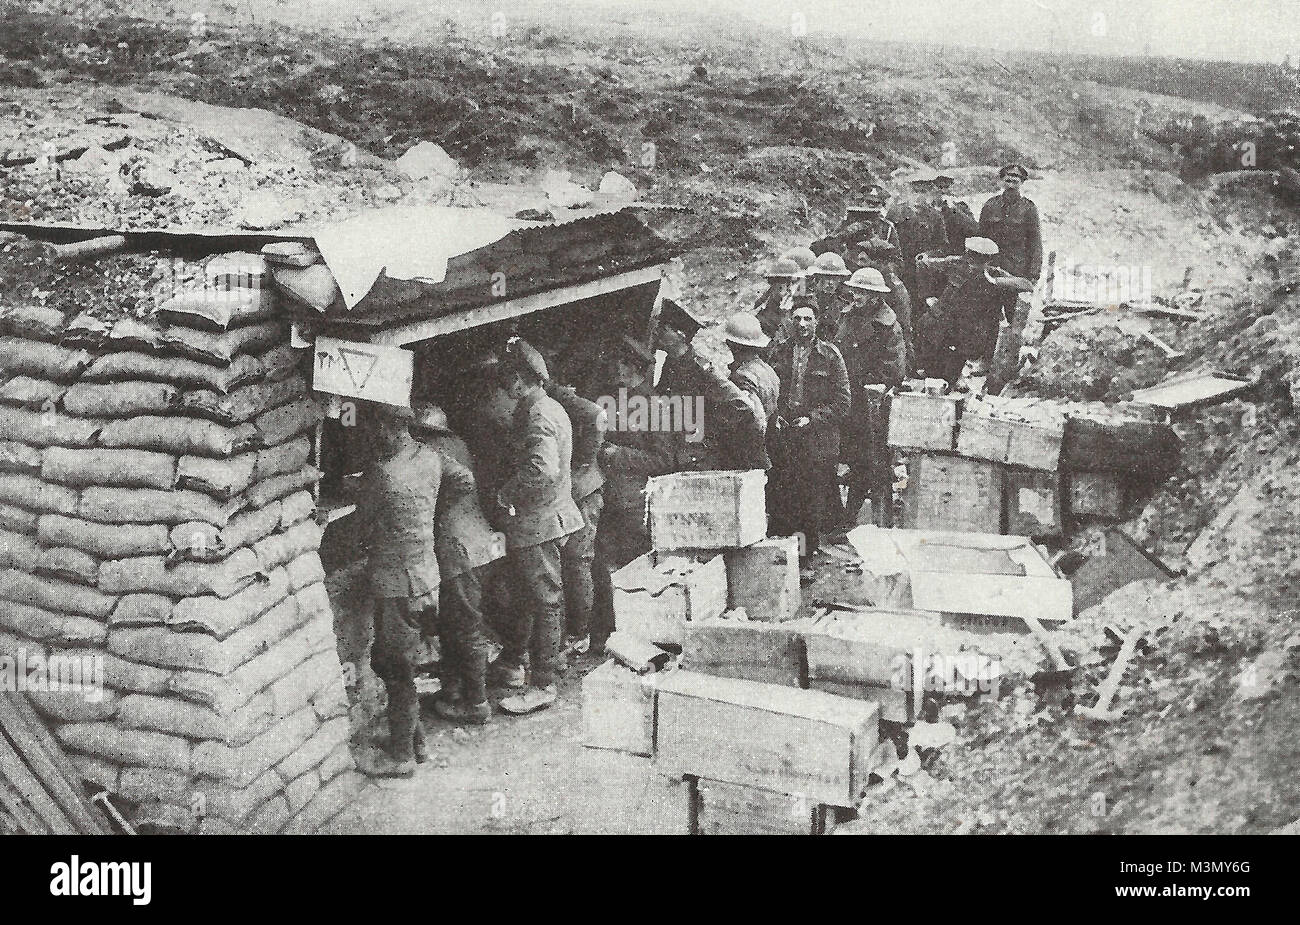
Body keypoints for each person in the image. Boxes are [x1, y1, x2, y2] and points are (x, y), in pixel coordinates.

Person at [489, 336, 584, 715]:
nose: (505, 387)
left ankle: (542, 683)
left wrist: (507, 494)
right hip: (548, 516)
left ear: (520, 379)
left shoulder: (538, 415)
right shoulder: (548, 407)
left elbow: (542, 469)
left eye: (508, 379)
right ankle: (515, 663)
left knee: (544, 599)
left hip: (536, 522)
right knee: (530, 596)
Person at [358, 405, 442, 777]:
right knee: (402, 662)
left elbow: (362, 525)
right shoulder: (430, 459)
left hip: (396, 584)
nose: (374, 437)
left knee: (396, 669)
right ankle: (416, 740)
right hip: (426, 577)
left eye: (376, 429)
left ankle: (401, 755)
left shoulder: (382, 473)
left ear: (389, 428)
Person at [413, 403, 505, 726]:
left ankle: (477, 703)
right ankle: (453, 688)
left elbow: (460, 483)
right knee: (456, 620)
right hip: (484, 543)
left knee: (465, 625)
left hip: (460, 548)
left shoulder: (427, 454)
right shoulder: (459, 444)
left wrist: (439, 513)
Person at [591, 335, 680, 651]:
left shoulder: (655, 405)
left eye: (618, 365)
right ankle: (606, 634)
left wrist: (618, 455)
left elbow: (664, 460)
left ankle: (641, 636)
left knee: (635, 570)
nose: (613, 371)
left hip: (636, 503)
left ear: (631, 367)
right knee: (601, 565)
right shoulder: (619, 400)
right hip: (613, 498)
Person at [768, 298, 850, 564]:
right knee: (783, 495)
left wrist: (812, 419)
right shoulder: (778, 352)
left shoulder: (830, 355)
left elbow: (842, 402)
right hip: (786, 435)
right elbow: (771, 392)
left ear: (816, 322)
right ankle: (784, 556)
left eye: (807, 319)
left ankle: (805, 556)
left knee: (810, 500)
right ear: (791, 322)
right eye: (797, 319)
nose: (802, 324)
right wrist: (777, 416)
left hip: (816, 439)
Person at [835, 267, 907, 526]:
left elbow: (894, 369)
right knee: (842, 457)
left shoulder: (888, 325)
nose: (856, 295)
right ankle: (840, 514)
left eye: (862, 292)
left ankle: (862, 517)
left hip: (870, 405)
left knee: (869, 463)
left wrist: (866, 382)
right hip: (845, 399)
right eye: (855, 290)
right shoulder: (847, 317)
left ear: (876, 296)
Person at [544, 373, 606, 655]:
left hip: (581, 490)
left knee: (577, 561)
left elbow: (596, 415)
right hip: (574, 489)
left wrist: (581, 462)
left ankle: (579, 635)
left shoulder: (554, 393)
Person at [916, 236, 1033, 385]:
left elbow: (1026, 284)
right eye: (971, 257)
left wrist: (995, 281)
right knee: (927, 328)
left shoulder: (994, 274)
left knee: (960, 360)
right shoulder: (955, 263)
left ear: (988, 260)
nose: (972, 264)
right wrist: (928, 296)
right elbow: (923, 264)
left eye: (978, 260)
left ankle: (957, 378)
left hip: (971, 330)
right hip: (946, 321)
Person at [979, 163, 1043, 322]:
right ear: (1001, 182)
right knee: (987, 317)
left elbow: (1035, 243)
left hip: (1016, 272)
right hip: (991, 270)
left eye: (1016, 181)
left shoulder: (1028, 209)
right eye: (1008, 181)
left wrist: (1033, 275)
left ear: (1022, 183)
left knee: (1014, 319)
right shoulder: (990, 205)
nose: (1011, 185)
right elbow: (980, 237)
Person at [753, 256, 803, 345]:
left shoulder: (797, 303)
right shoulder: (765, 309)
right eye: (781, 285)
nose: (788, 289)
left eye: (791, 284)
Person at [804, 251, 852, 341]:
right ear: (817, 277)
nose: (830, 283)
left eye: (835, 278)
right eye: (826, 277)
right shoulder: (805, 301)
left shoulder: (843, 306)